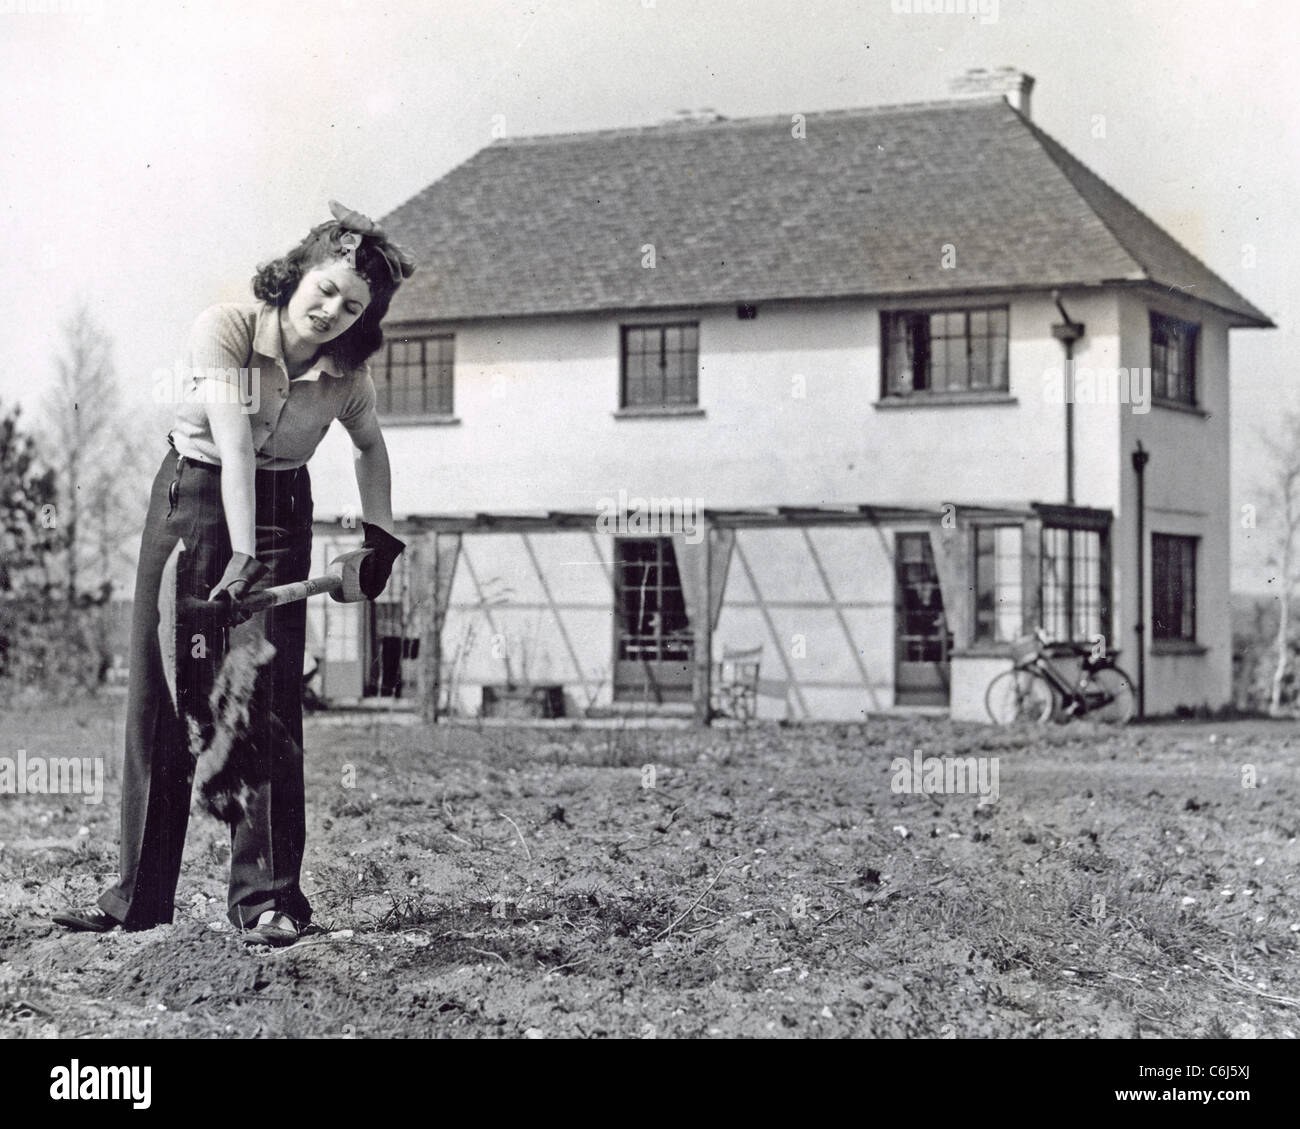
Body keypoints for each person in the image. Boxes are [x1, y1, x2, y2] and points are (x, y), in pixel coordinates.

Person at [54, 202, 413, 947]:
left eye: (352, 306)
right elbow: (235, 446)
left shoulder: (348, 376)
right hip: (193, 498)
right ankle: (138, 901)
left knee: (265, 700)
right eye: (325, 289)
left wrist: (379, 534)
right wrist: (240, 553)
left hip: (281, 512)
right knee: (166, 694)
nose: (332, 311)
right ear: (296, 274)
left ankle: (268, 901)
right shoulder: (225, 329)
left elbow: (370, 446)